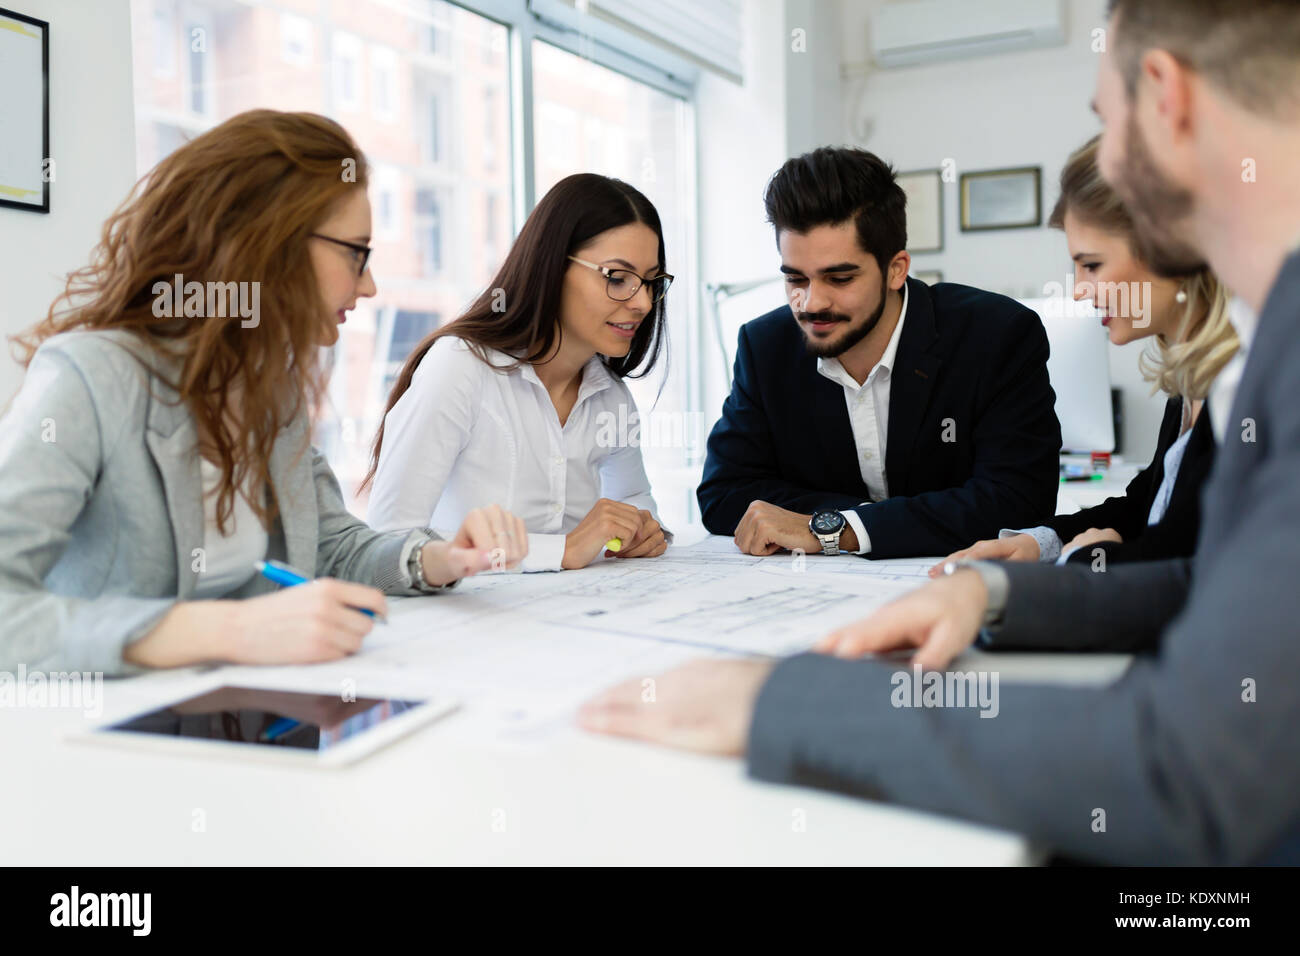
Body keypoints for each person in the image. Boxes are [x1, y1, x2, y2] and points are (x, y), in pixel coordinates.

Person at [582, 0, 1300, 865]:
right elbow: (1202, 581)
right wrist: (996, 596)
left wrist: (779, 702)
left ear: (1165, 97)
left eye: (1104, 123)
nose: (1106, 160)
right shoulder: (1275, 336)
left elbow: (1186, 775)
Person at [0, 110, 527, 677]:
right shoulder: (90, 376)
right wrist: (228, 631)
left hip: (245, 714)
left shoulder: (267, 388)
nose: (369, 284)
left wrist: (441, 558)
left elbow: (332, 548)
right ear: (267, 242)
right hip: (110, 732)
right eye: (356, 254)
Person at [695, 147, 1061, 560]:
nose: (811, 303)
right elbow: (724, 494)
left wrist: (837, 528)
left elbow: (1020, 500)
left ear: (896, 269)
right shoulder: (765, 347)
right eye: (796, 278)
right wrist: (861, 520)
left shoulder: (996, 335)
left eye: (839, 277)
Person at [932, 136, 1237, 573]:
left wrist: (1090, 560)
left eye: (1092, 265)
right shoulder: (1191, 380)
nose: (1078, 290)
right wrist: (1044, 542)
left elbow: (1196, 562)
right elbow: (1146, 502)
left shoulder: (1250, 382)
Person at [365, 174, 672, 572]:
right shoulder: (459, 369)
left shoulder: (610, 396)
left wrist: (642, 530)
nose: (643, 303)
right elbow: (387, 545)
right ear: (553, 264)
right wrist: (563, 549)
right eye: (618, 278)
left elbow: (634, 497)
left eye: (651, 282)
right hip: (463, 624)